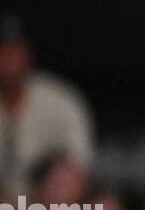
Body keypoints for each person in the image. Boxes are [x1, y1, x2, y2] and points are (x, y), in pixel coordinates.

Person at [0, 14, 95, 196]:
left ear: (28, 54)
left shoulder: (62, 102)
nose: (8, 59)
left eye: (14, 50)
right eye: (2, 52)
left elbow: (78, 170)